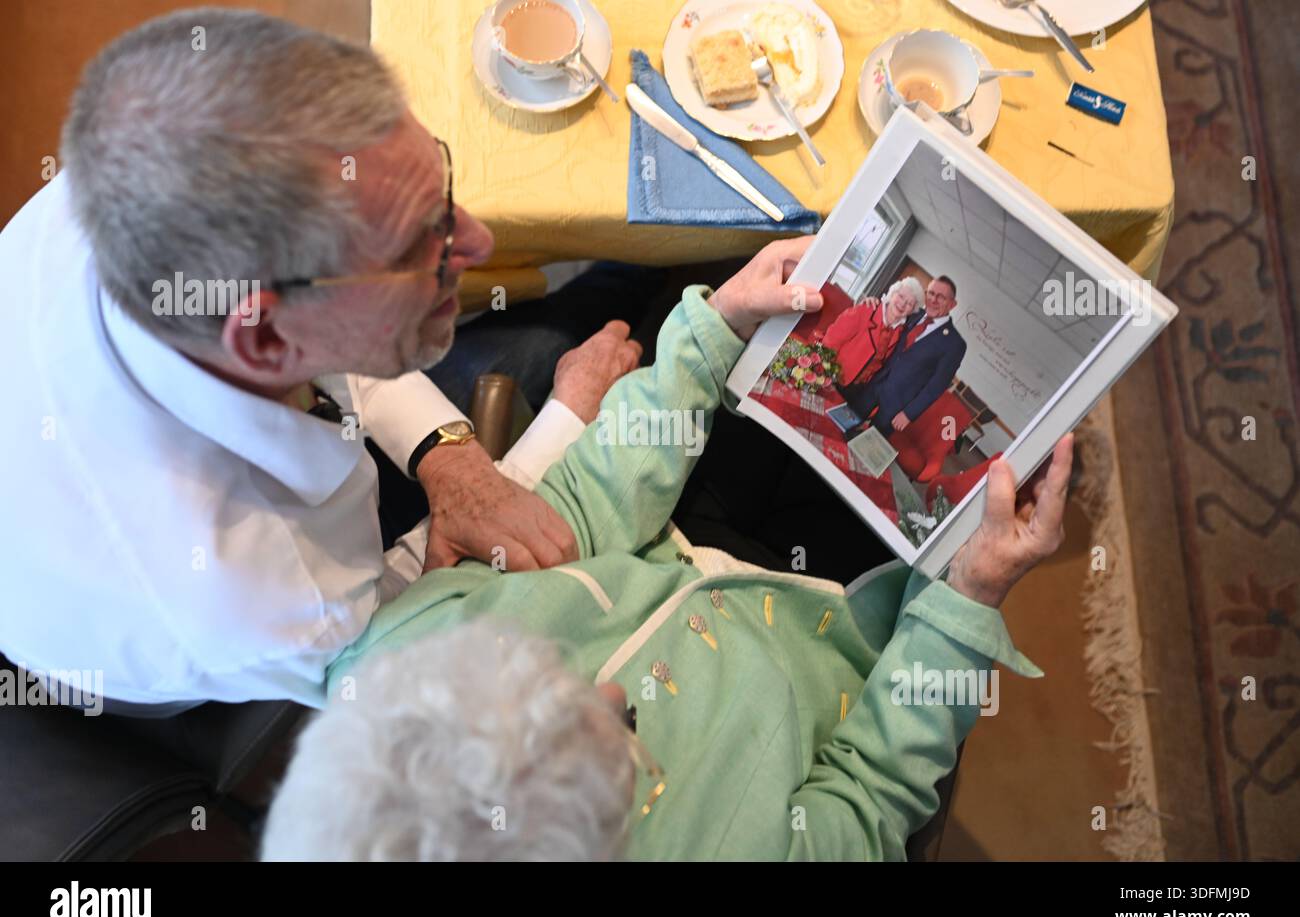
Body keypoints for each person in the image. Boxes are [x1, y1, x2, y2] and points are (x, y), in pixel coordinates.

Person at [261, 238, 1075, 861]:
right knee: (1016, 470)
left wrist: (712, 326)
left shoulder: (396, 662)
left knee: (742, 282)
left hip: (679, 524)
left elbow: (577, 517)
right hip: (843, 622)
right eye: (619, 750)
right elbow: (873, 790)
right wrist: (970, 596)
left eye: (560, 677)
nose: (615, 693)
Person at [0, 10, 641, 710]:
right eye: (415, 245)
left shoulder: (136, 170)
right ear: (268, 341)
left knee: (534, 339)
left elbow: (319, 323)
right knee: (544, 351)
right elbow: (396, 626)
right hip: (192, 648)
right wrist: (567, 418)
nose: (479, 240)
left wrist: (452, 456)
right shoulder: (272, 593)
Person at [839, 275, 965, 437]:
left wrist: (909, 414)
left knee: (866, 445)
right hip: (873, 386)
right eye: (931, 293)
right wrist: (873, 302)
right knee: (842, 424)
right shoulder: (913, 313)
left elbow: (936, 386)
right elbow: (888, 313)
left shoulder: (955, 344)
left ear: (952, 304)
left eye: (941, 297)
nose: (933, 300)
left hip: (897, 406)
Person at [819, 276, 922, 387]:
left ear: (912, 310)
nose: (902, 304)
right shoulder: (866, 310)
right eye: (901, 296)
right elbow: (833, 338)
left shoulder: (901, 333)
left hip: (857, 390)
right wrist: (822, 370)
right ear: (892, 293)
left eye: (909, 304)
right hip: (832, 376)